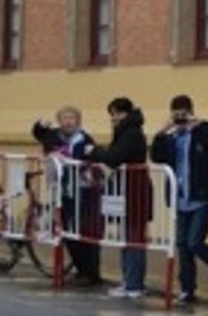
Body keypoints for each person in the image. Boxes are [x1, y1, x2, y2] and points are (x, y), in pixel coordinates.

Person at [150, 94, 208, 304]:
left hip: (202, 197)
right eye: (176, 114)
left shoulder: (202, 133)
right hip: (180, 198)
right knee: (183, 245)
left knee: (194, 242)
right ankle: (188, 290)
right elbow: (156, 155)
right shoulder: (171, 138)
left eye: (184, 114)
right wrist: (164, 130)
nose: (180, 118)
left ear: (191, 112)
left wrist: (199, 125)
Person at [86, 96, 152, 299]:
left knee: (133, 238)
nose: (113, 119)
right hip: (129, 191)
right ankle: (130, 281)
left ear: (123, 114)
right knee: (128, 237)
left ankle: (134, 284)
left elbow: (114, 157)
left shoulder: (130, 133)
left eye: (115, 115)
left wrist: (94, 151)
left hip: (134, 191)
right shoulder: (127, 131)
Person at [33, 106, 102, 285]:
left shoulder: (84, 139)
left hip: (84, 190)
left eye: (71, 118)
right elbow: (40, 134)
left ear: (78, 120)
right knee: (65, 230)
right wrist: (39, 126)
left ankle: (91, 273)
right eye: (64, 118)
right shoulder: (56, 136)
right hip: (63, 190)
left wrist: (66, 158)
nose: (68, 121)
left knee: (85, 231)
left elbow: (86, 159)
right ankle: (80, 269)